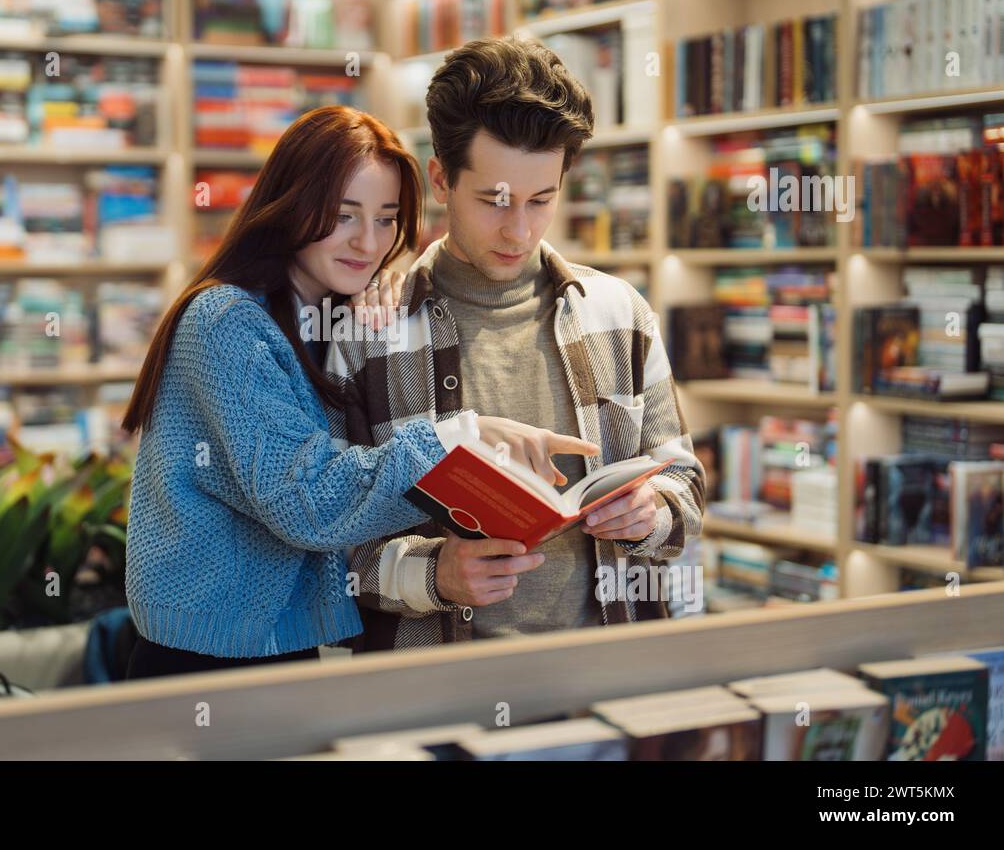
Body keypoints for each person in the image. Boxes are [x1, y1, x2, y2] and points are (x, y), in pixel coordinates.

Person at [120, 104, 594, 678]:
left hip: (274, 649)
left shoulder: (325, 319)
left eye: (387, 218)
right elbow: (307, 501)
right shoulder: (225, 322)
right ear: (292, 203)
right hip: (202, 657)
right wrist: (458, 437)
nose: (367, 242)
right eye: (344, 215)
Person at [325, 36, 706, 652]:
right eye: (495, 201)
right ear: (441, 179)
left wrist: (652, 514)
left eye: (542, 200)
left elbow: (685, 490)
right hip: (434, 703)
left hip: (605, 681)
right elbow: (326, 545)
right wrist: (433, 573)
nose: (519, 229)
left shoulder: (621, 316)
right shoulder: (365, 334)